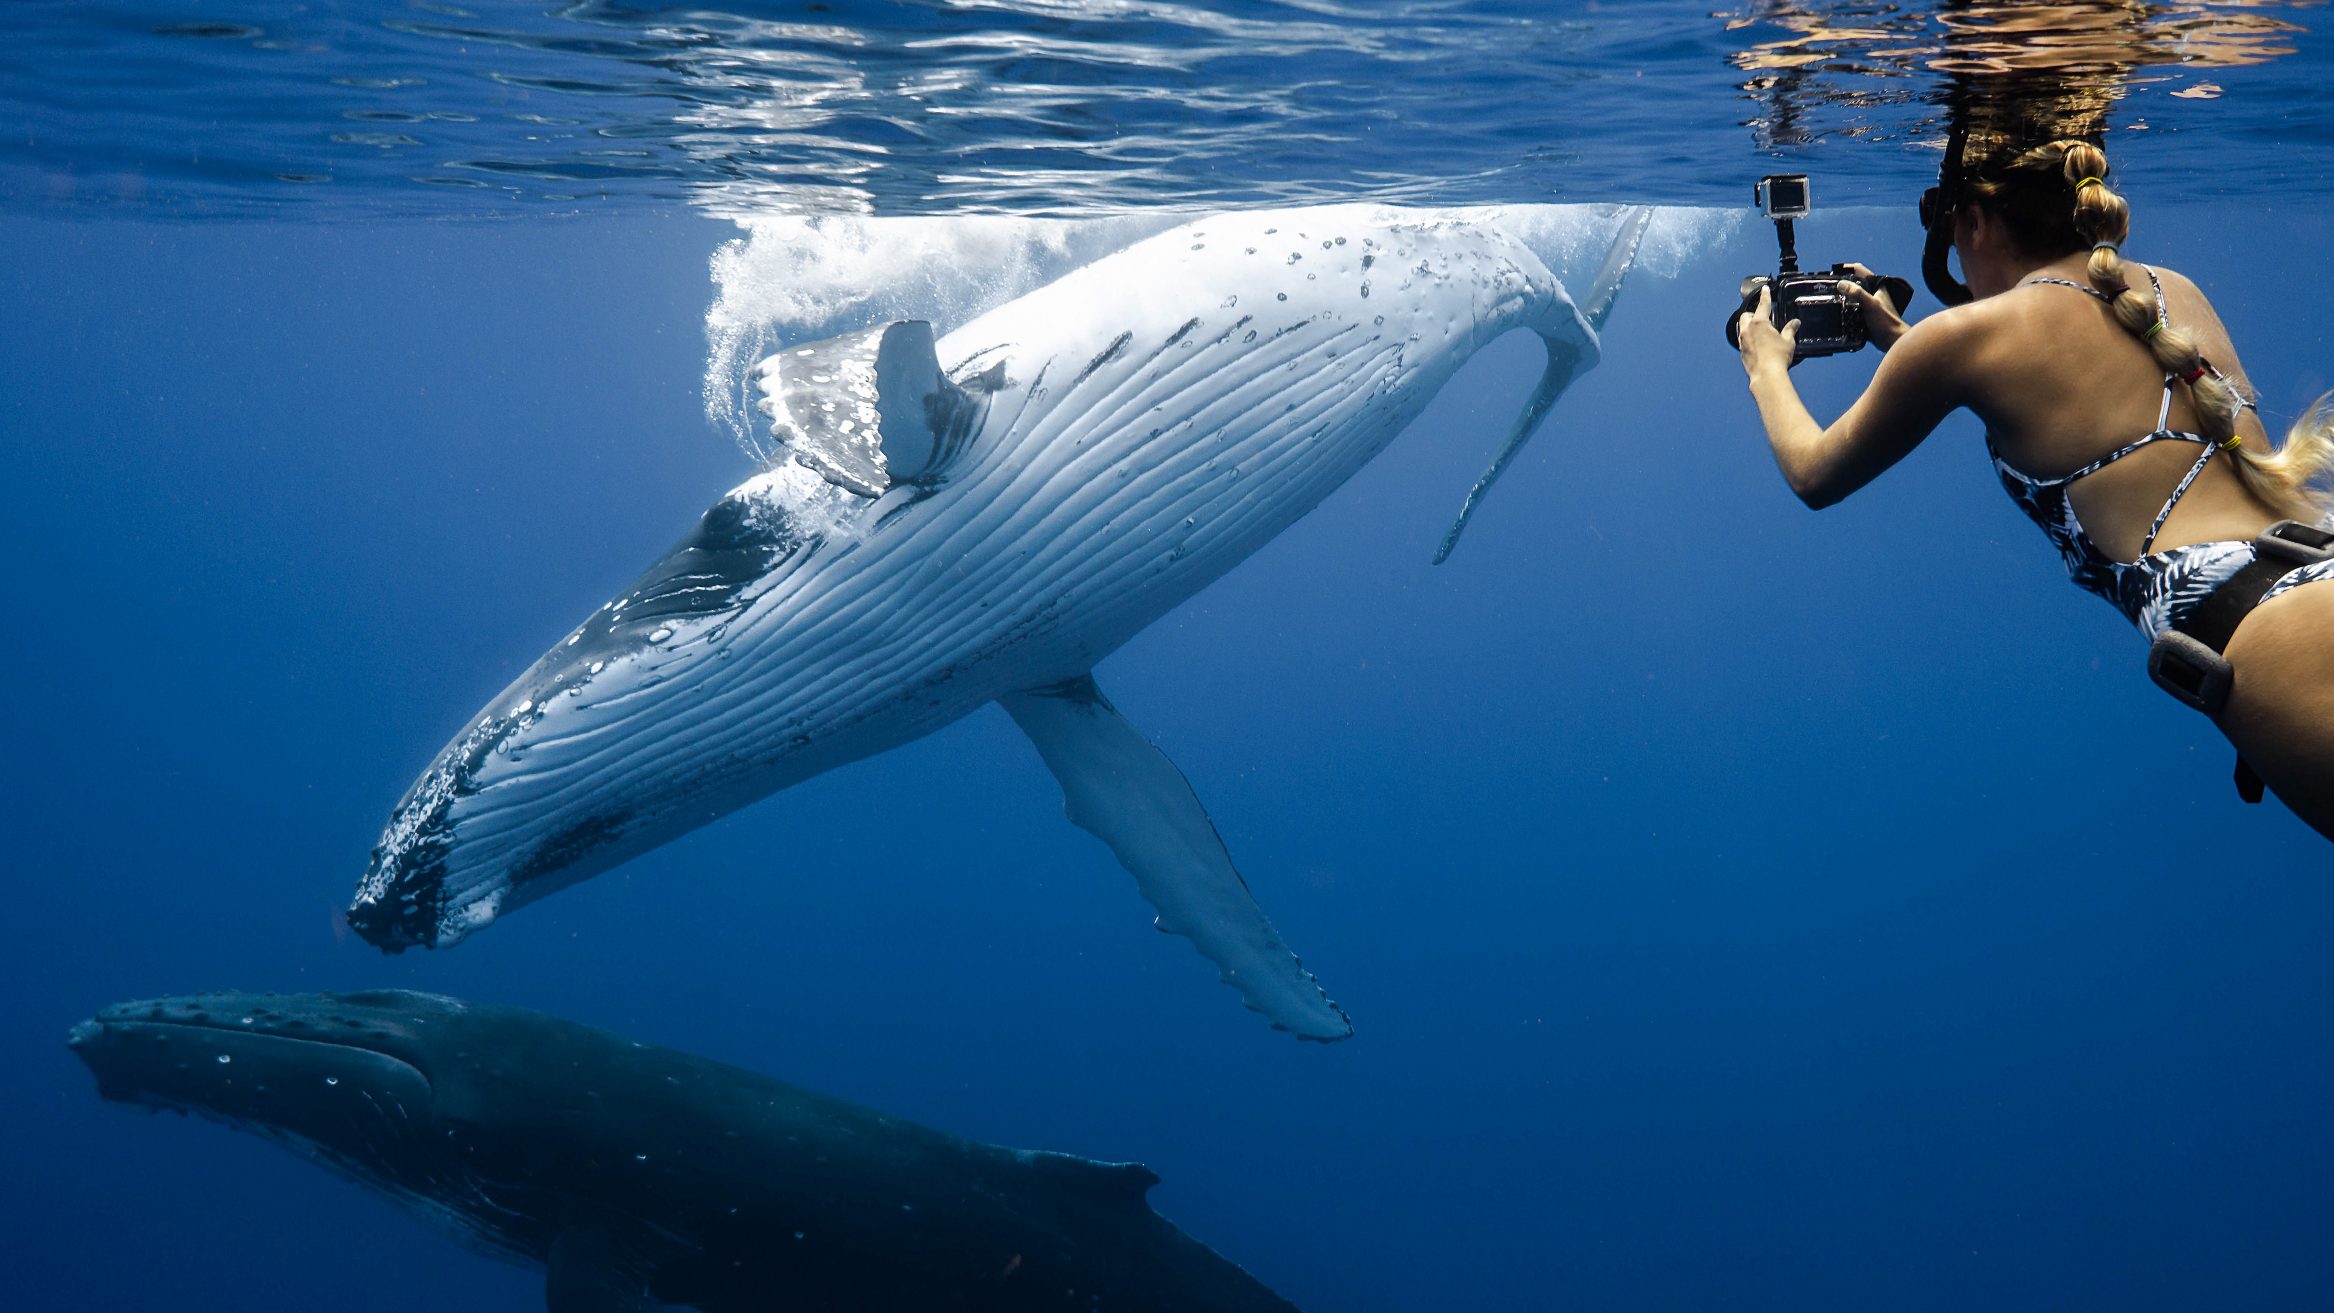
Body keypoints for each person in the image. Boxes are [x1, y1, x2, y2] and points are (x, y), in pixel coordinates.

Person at [1734, 137, 2334, 840]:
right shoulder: (2172, 289)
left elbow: (1813, 472)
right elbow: (2061, 389)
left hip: (2266, 645)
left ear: (1977, 218)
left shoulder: (1962, 341)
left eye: (1942, 219)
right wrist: (1903, 337)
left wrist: (1764, 363)